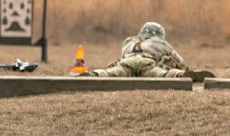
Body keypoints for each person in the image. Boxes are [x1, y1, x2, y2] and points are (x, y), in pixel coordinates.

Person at [84, 21, 214, 81]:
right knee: (161, 74)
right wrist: (184, 69)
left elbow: (122, 56)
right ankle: (179, 75)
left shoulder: (129, 41)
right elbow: (178, 60)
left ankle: (94, 75)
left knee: (112, 73)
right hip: (147, 62)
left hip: (128, 61)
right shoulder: (160, 43)